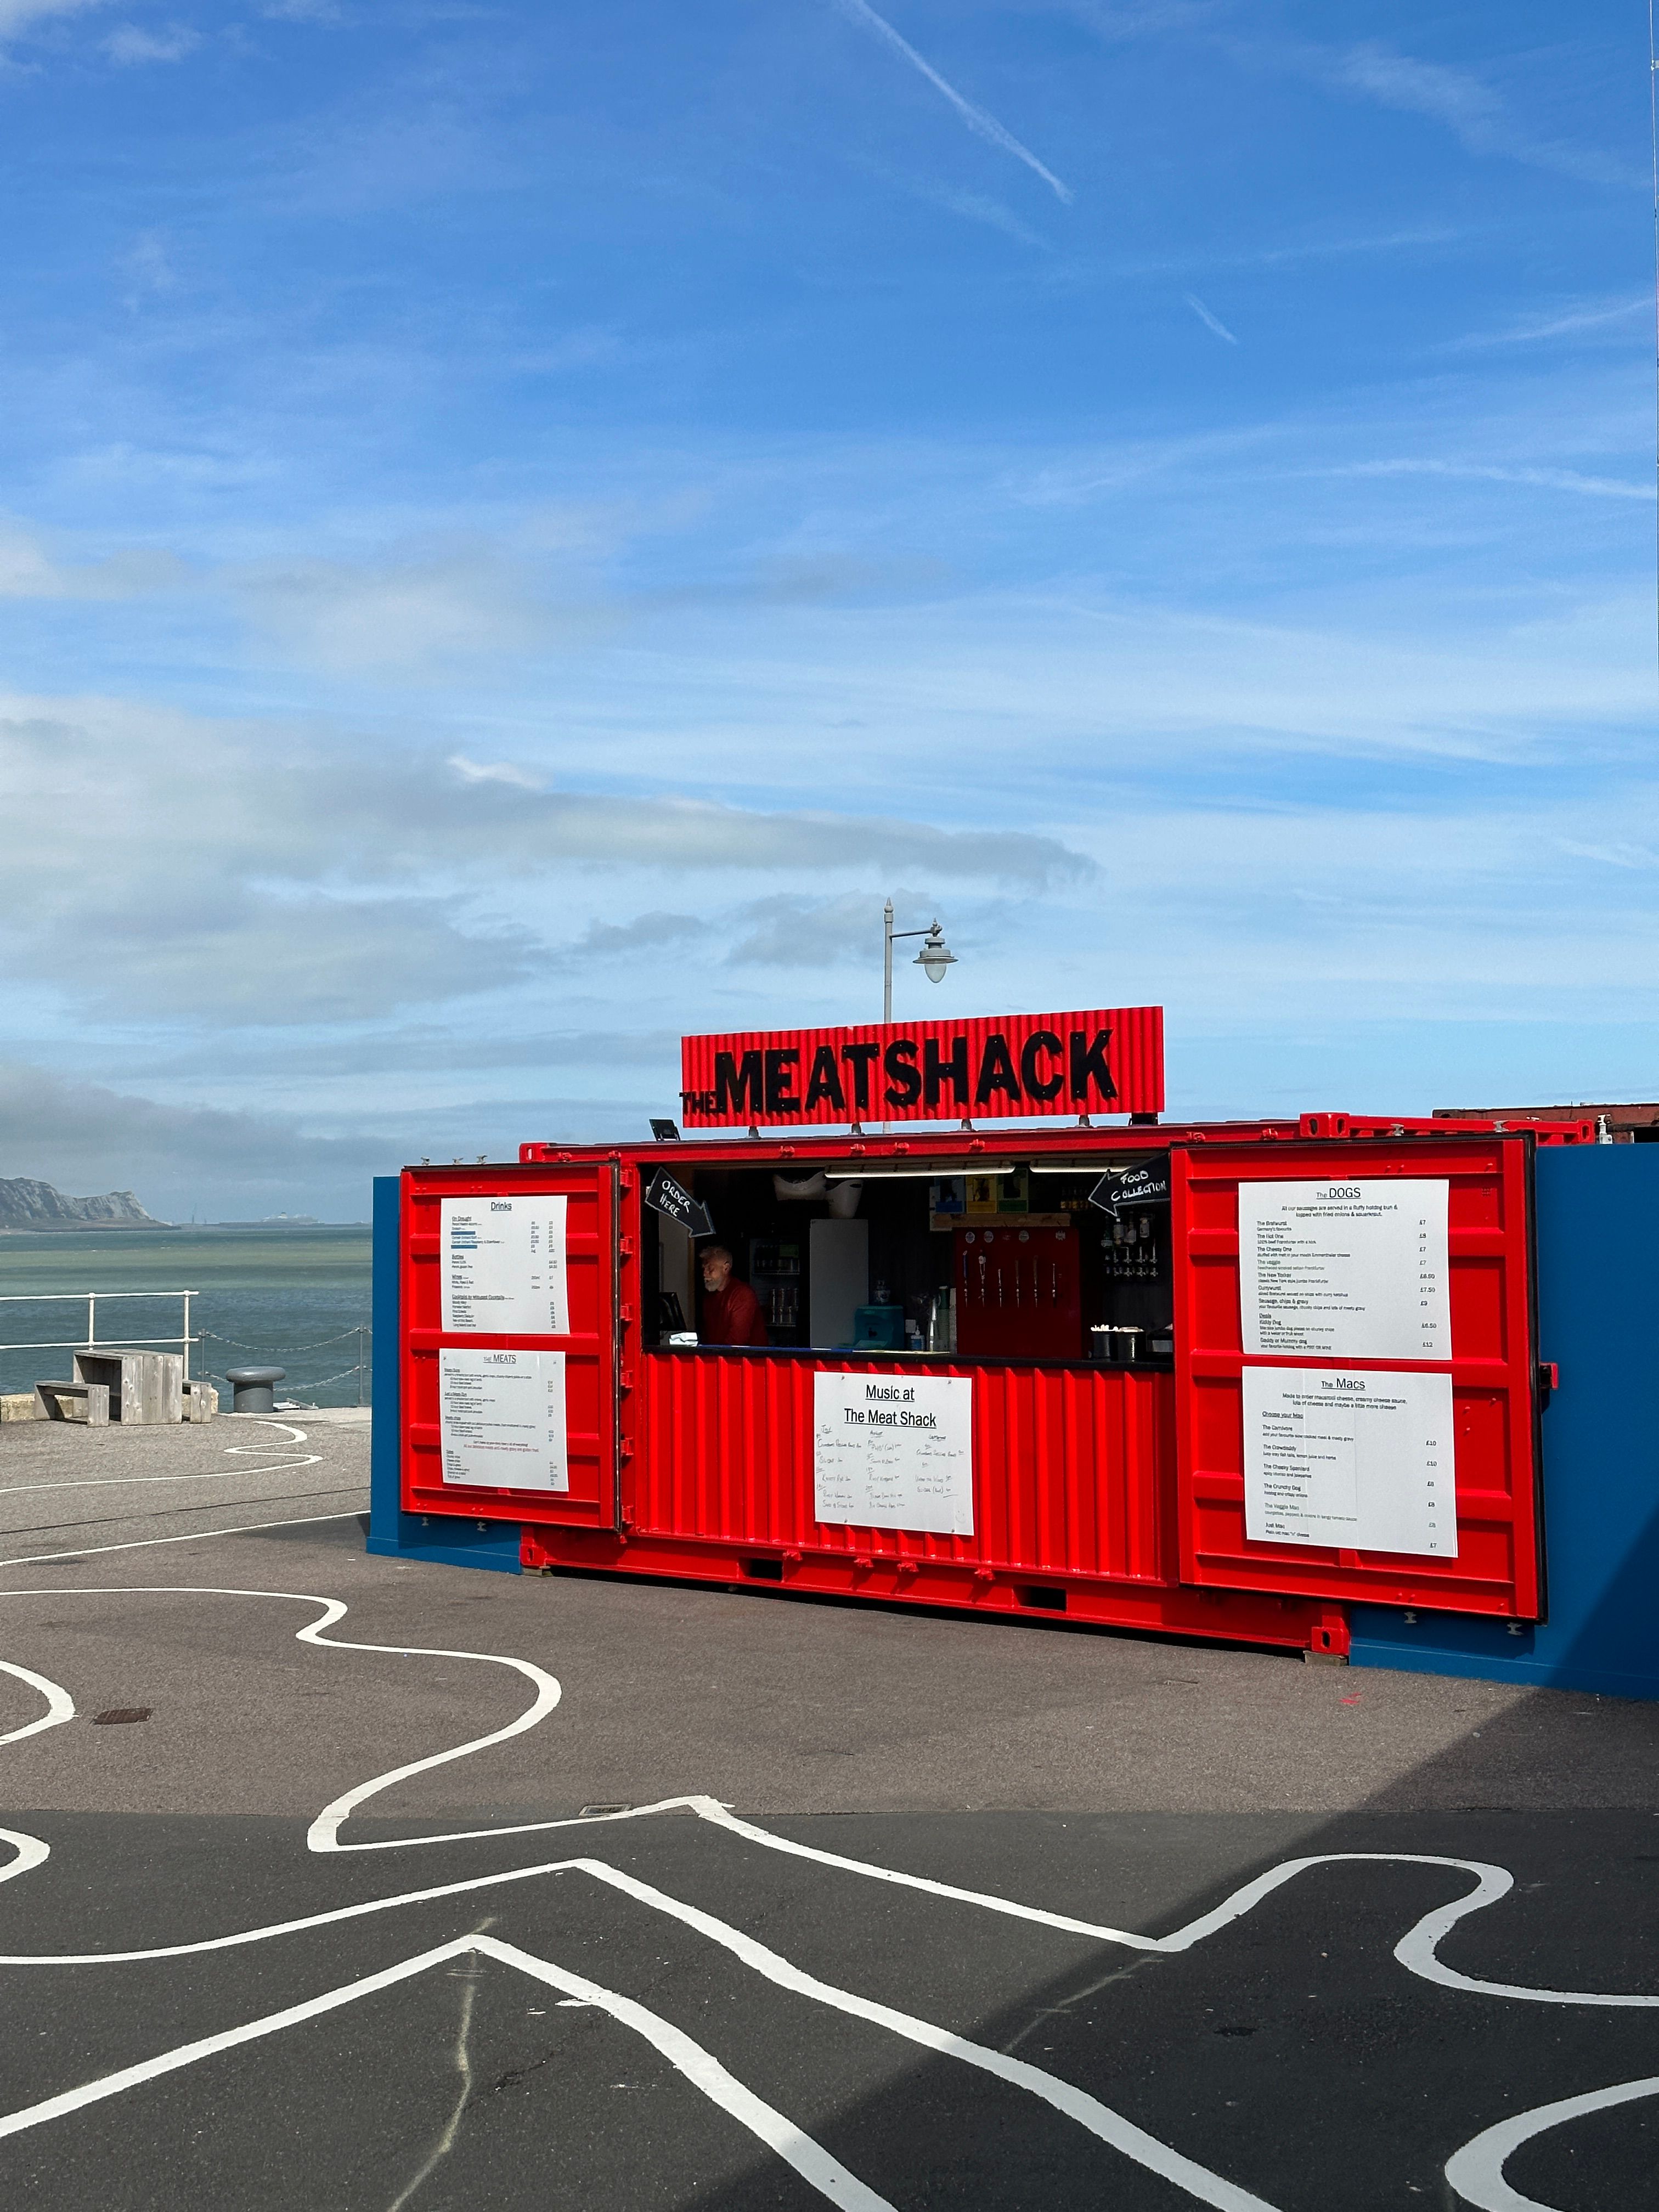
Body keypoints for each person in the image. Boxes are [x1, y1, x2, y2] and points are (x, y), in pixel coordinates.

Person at [698, 1245, 769, 1346]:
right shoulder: (709, 1297)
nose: (705, 1274)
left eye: (710, 1268)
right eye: (704, 1269)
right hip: (719, 1356)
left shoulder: (743, 1294)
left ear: (726, 1268)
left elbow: (737, 1340)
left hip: (747, 1360)